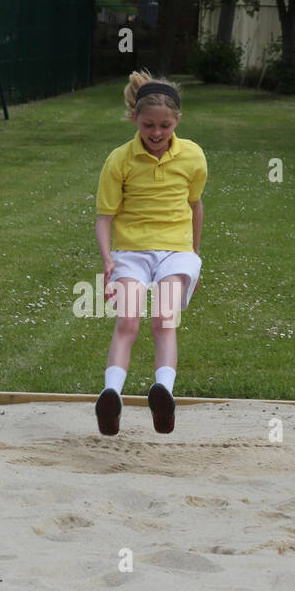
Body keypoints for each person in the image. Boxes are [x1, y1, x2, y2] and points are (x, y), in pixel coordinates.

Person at [94, 71, 206, 435]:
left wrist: (195, 256)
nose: (157, 134)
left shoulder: (192, 156)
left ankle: (164, 398)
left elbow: (196, 205)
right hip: (132, 252)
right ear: (134, 120)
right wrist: (109, 260)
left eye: (165, 126)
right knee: (127, 322)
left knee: (163, 320)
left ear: (178, 122)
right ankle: (110, 398)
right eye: (148, 126)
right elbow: (105, 217)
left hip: (176, 250)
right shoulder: (119, 160)